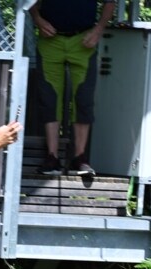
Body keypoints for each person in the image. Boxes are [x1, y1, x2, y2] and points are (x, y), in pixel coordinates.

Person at [29, 0, 115, 175]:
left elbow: (110, 2)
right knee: (49, 99)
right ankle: (52, 158)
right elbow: (27, 2)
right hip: (50, 40)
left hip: (83, 40)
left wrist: (98, 30)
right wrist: (38, 19)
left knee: (84, 99)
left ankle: (80, 158)